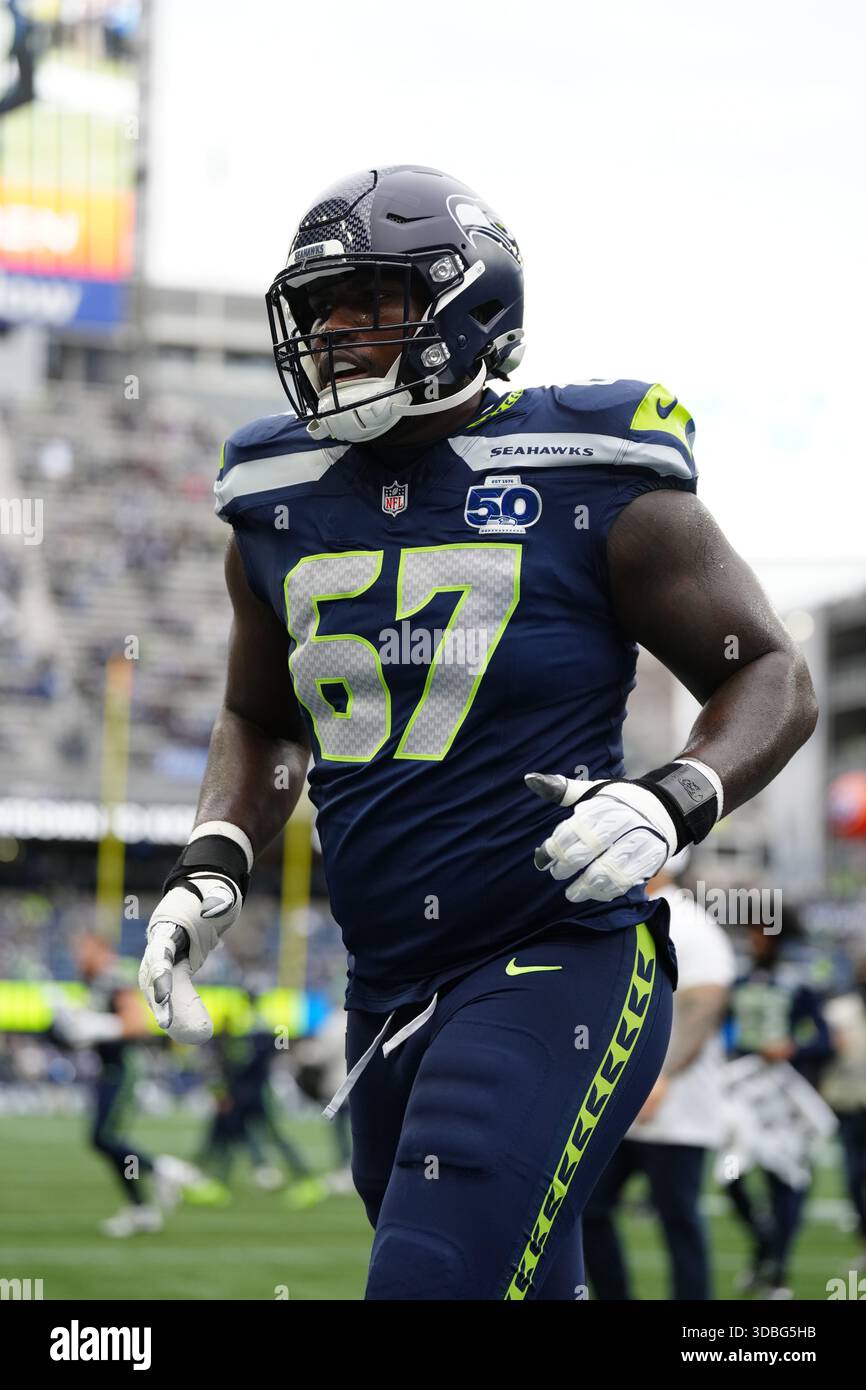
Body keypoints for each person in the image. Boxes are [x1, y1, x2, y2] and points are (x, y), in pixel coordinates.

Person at [138, 165, 817, 1300]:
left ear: (470, 307)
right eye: (320, 311)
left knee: (428, 1283)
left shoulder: (595, 470)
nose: (335, 335)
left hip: (556, 955)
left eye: (369, 303)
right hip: (383, 983)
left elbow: (773, 676)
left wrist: (669, 796)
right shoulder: (275, 492)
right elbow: (263, 715)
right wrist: (215, 859)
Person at [583, 851, 735, 1299]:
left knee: (678, 1220)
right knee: (587, 1208)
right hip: (619, 1099)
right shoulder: (625, 914)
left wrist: (661, 1077)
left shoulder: (687, 922)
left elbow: (704, 1004)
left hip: (675, 1107)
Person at [53, 931, 203, 1236]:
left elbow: (136, 1025)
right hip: (110, 1068)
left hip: (123, 1069)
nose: (78, 959)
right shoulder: (96, 982)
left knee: (104, 1137)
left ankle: (163, 1171)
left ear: (101, 950)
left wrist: (93, 1026)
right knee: (106, 1141)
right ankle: (142, 1209)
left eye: (84, 951)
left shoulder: (113, 975)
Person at [726, 910, 834, 1296]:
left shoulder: (797, 984)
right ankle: (765, 1244)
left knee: (785, 1177)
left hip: (780, 1095)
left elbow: (824, 1039)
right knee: (730, 1174)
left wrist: (793, 1046)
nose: (756, 939)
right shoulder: (735, 978)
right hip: (740, 1091)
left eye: (762, 932)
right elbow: (720, 1029)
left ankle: (777, 1270)